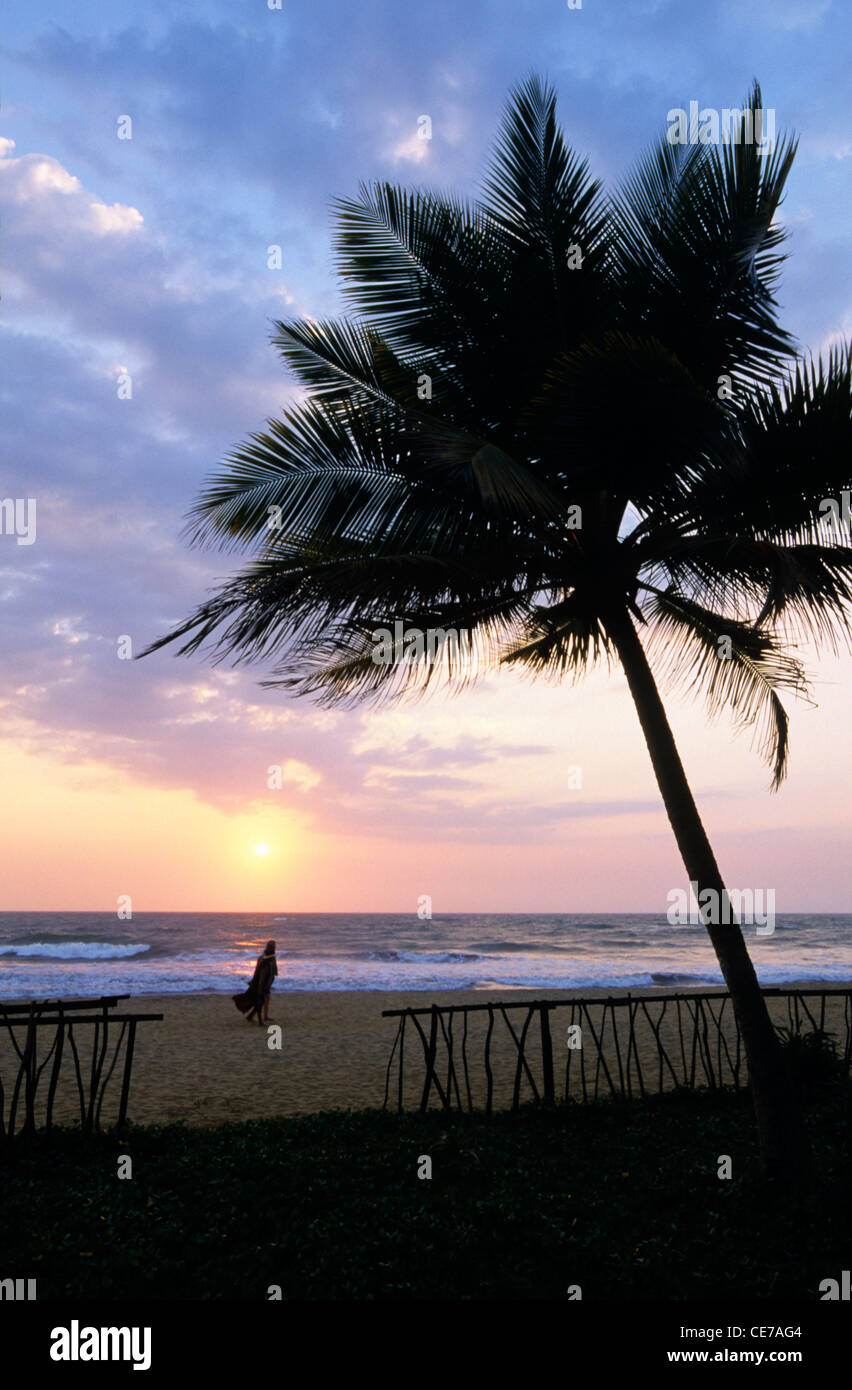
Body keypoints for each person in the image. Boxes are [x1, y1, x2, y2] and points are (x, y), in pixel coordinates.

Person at [244, 940, 277, 1026]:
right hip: (262, 985)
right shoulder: (267, 960)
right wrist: (262, 987)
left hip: (263, 984)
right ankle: (259, 1020)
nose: (274, 947)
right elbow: (262, 976)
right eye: (273, 946)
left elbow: (269, 973)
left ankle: (261, 1017)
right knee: (260, 1001)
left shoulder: (267, 957)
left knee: (264, 1000)